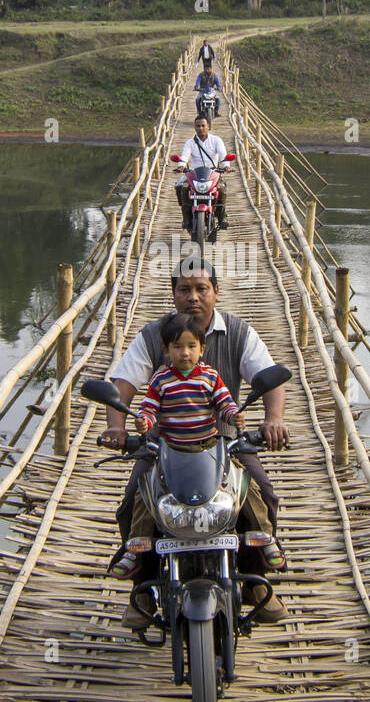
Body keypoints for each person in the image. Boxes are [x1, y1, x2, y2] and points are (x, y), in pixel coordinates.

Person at [100, 256, 290, 628]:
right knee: (132, 502)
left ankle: (256, 582)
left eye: (202, 288)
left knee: (263, 492)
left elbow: (268, 376)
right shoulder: (155, 335)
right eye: (184, 289)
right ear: (173, 294)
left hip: (225, 444)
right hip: (163, 448)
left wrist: (274, 419)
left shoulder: (238, 332)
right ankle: (143, 590)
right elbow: (123, 382)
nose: (193, 297)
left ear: (216, 293)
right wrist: (119, 427)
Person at [114, 312, 241, 566]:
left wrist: (233, 415)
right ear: (166, 350)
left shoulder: (210, 377)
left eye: (191, 346)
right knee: (143, 494)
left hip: (210, 448)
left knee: (247, 486)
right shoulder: (161, 379)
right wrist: (143, 422)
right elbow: (149, 409)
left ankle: (264, 536)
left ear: (202, 349)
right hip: (171, 449)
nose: (185, 353)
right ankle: (134, 547)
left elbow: (225, 404)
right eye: (178, 347)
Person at [175, 114, 229, 231]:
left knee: (222, 188)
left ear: (208, 126)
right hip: (194, 174)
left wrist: (226, 166)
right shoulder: (190, 142)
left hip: (213, 174)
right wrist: (181, 165)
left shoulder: (216, 140)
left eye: (203, 125)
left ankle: (222, 217)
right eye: (198, 126)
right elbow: (184, 156)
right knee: (182, 187)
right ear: (194, 127)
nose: (200, 128)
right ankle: (186, 218)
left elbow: (223, 155)